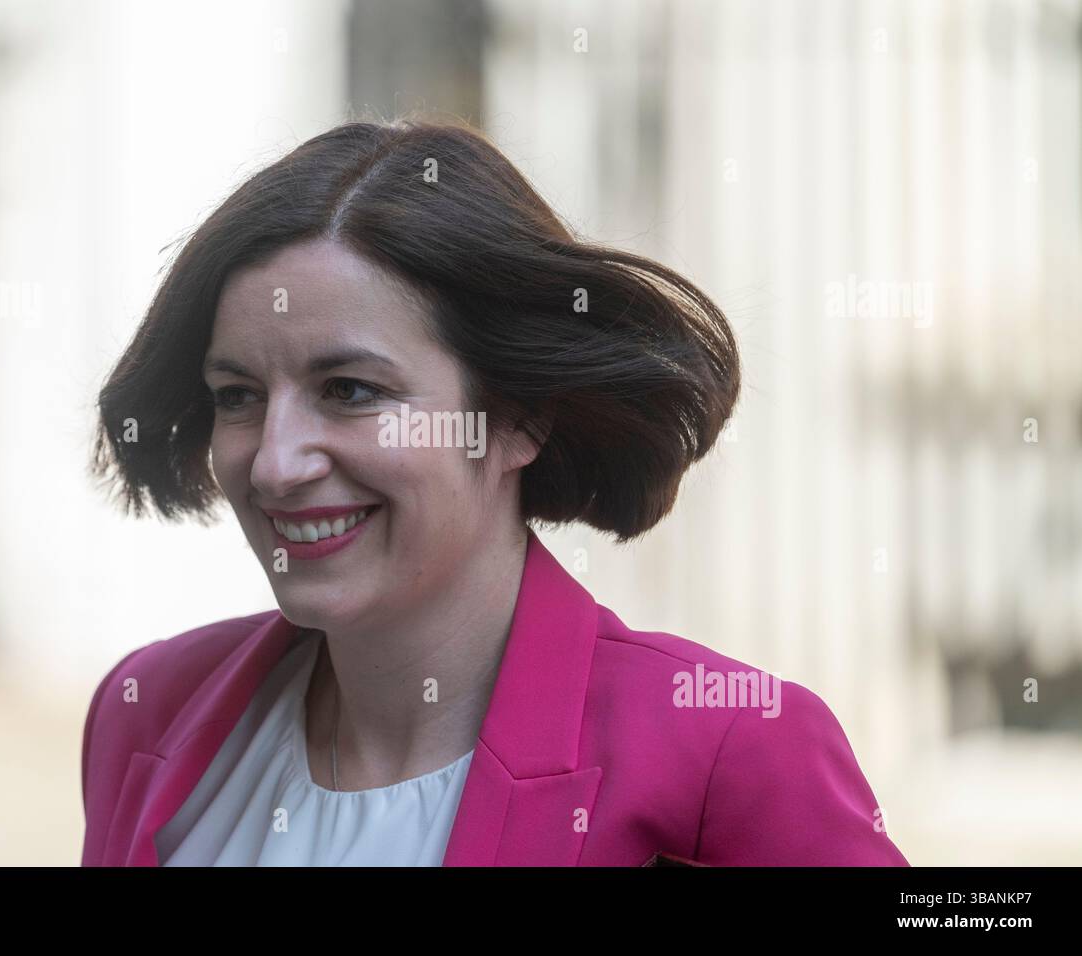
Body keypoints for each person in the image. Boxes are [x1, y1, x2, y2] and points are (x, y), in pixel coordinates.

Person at [79, 117, 909, 867]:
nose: (274, 464)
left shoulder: (730, 755)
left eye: (351, 391)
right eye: (239, 397)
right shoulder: (146, 711)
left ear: (517, 418)